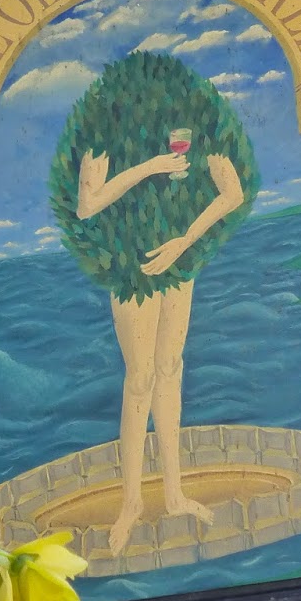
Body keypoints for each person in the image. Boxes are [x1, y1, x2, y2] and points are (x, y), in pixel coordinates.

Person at [49, 49, 259, 555]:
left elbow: (231, 191)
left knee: (171, 368)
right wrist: (148, 167)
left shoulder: (195, 129)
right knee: (140, 378)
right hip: (132, 270)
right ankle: (130, 505)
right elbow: (87, 204)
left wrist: (186, 240)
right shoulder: (103, 136)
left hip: (175, 261)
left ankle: (174, 493)